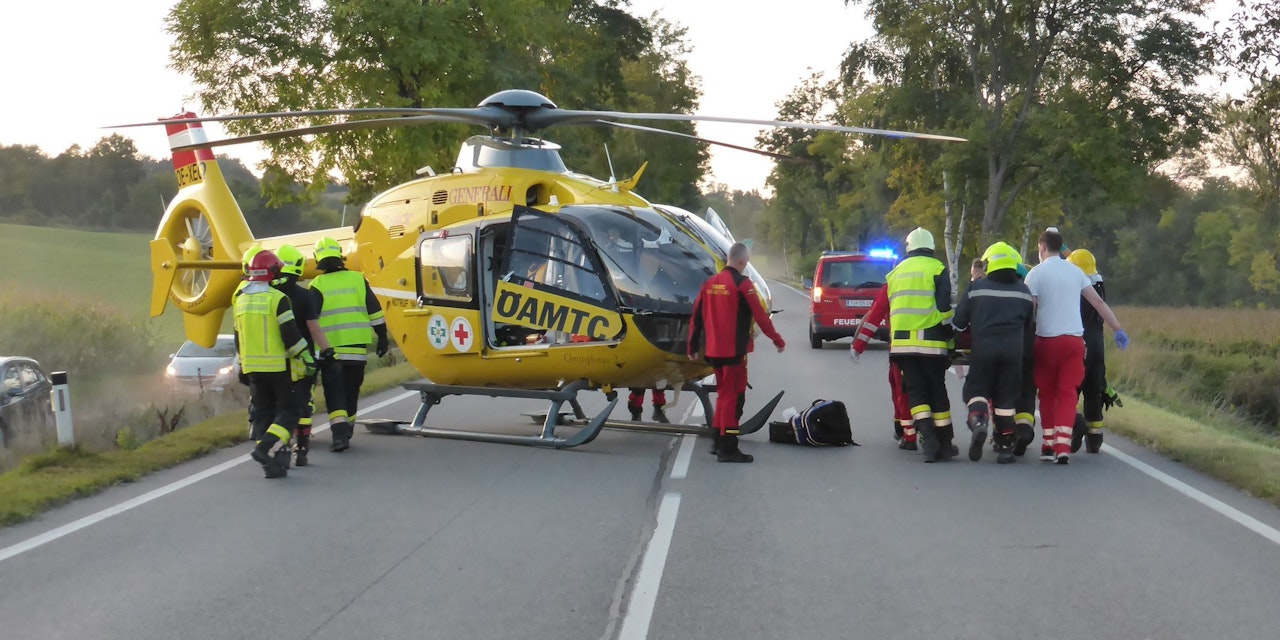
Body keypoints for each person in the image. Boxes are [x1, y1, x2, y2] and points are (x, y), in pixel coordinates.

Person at [1024, 229, 1129, 464]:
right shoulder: (1076, 272)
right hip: (1073, 342)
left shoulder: (1035, 274)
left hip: (1047, 341)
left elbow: (1027, 310)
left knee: (1048, 394)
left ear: (1041, 247)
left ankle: (1048, 445)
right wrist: (1117, 328)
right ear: (1060, 247)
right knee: (1067, 393)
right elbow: (1098, 302)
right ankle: (1063, 445)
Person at [688, 242, 785, 463]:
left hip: (713, 351)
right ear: (742, 262)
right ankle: (728, 449)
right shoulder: (743, 284)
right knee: (732, 399)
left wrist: (692, 346)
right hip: (734, 352)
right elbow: (760, 316)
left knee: (724, 396)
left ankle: (717, 441)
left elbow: (696, 318)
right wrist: (777, 340)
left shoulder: (709, 283)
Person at [952, 242, 1035, 463]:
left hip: (984, 350)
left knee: (976, 390)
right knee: (1006, 399)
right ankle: (1005, 447)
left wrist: (953, 344)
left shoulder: (976, 288)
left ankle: (979, 422)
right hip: (1013, 352)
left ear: (990, 264)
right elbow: (1029, 326)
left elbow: (959, 324)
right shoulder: (1024, 292)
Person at [234, 250, 313, 479]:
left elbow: (239, 338)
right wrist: (307, 358)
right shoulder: (277, 299)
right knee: (290, 411)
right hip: (277, 367)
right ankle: (263, 449)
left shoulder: (240, 299)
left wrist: (242, 364)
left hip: (252, 369)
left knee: (263, 414)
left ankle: (270, 464)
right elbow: (290, 335)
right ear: (273, 272)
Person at [310, 236, 390, 452]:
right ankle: (348, 430)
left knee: (334, 393)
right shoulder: (357, 279)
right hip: (357, 352)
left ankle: (339, 436)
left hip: (330, 352)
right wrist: (382, 337)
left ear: (318, 259)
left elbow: (311, 320)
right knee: (351, 391)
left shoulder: (316, 285)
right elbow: (375, 311)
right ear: (339, 256)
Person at [884, 227, 955, 462]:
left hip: (902, 345)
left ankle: (928, 440)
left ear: (909, 247)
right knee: (936, 390)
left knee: (915, 391)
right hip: (931, 341)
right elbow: (944, 309)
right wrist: (950, 339)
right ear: (931, 247)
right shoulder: (937, 268)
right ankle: (945, 442)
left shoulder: (895, 272)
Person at [273, 243, 332, 466]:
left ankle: (283, 445)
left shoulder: (271, 293)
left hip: (276, 360)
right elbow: (314, 329)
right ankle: (303, 449)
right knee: (303, 404)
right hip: (303, 358)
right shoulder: (305, 296)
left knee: (281, 405)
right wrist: (328, 351)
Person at [1066, 249, 1120, 454]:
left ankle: (1073, 425)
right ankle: (1095, 440)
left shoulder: (1076, 288)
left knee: (1069, 389)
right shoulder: (1099, 285)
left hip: (1080, 343)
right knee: (1094, 390)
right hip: (1098, 344)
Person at [850, 284, 916, 449]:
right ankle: (941, 436)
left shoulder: (894, 282)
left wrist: (857, 345)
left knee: (901, 389)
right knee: (933, 389)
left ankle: (906, 432)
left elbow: (873, 316)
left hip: (901, 347)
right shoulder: (934, 276)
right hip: (931, 346)